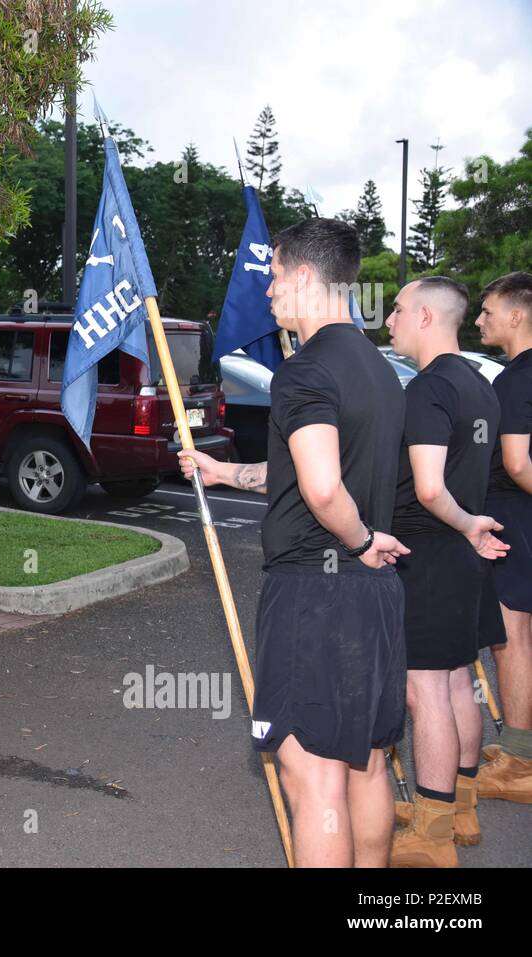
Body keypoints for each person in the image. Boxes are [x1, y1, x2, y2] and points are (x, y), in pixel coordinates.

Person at [179, 218, 408, 867]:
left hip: (317, 592)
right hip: (373, 598)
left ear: (305, 276)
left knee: (312, 777)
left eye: (274, 276)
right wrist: (228, 473)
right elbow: (308, 469)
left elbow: (323, 489)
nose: (270, 291)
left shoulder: (304, 370)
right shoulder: (379, 368)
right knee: (363, 762)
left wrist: (360, 538)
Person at [382, 277, 506, 866]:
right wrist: (470, 529)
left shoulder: (428, 389)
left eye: (400, 310)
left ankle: (431, 838)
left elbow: (430, 489)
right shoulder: (479, 384)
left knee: (424, 689)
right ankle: (459, 807)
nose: (390, 320)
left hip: (433, 550)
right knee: (459, 681)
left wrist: (465, 525)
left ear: (427, 317)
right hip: (459, 556)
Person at [474, 270, 532, 803]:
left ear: (516, 314)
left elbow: (516, 463)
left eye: (488, 310)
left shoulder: (516, 378)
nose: (480, 319)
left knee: (510, 636)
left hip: (514, 512)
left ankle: (517, 761)